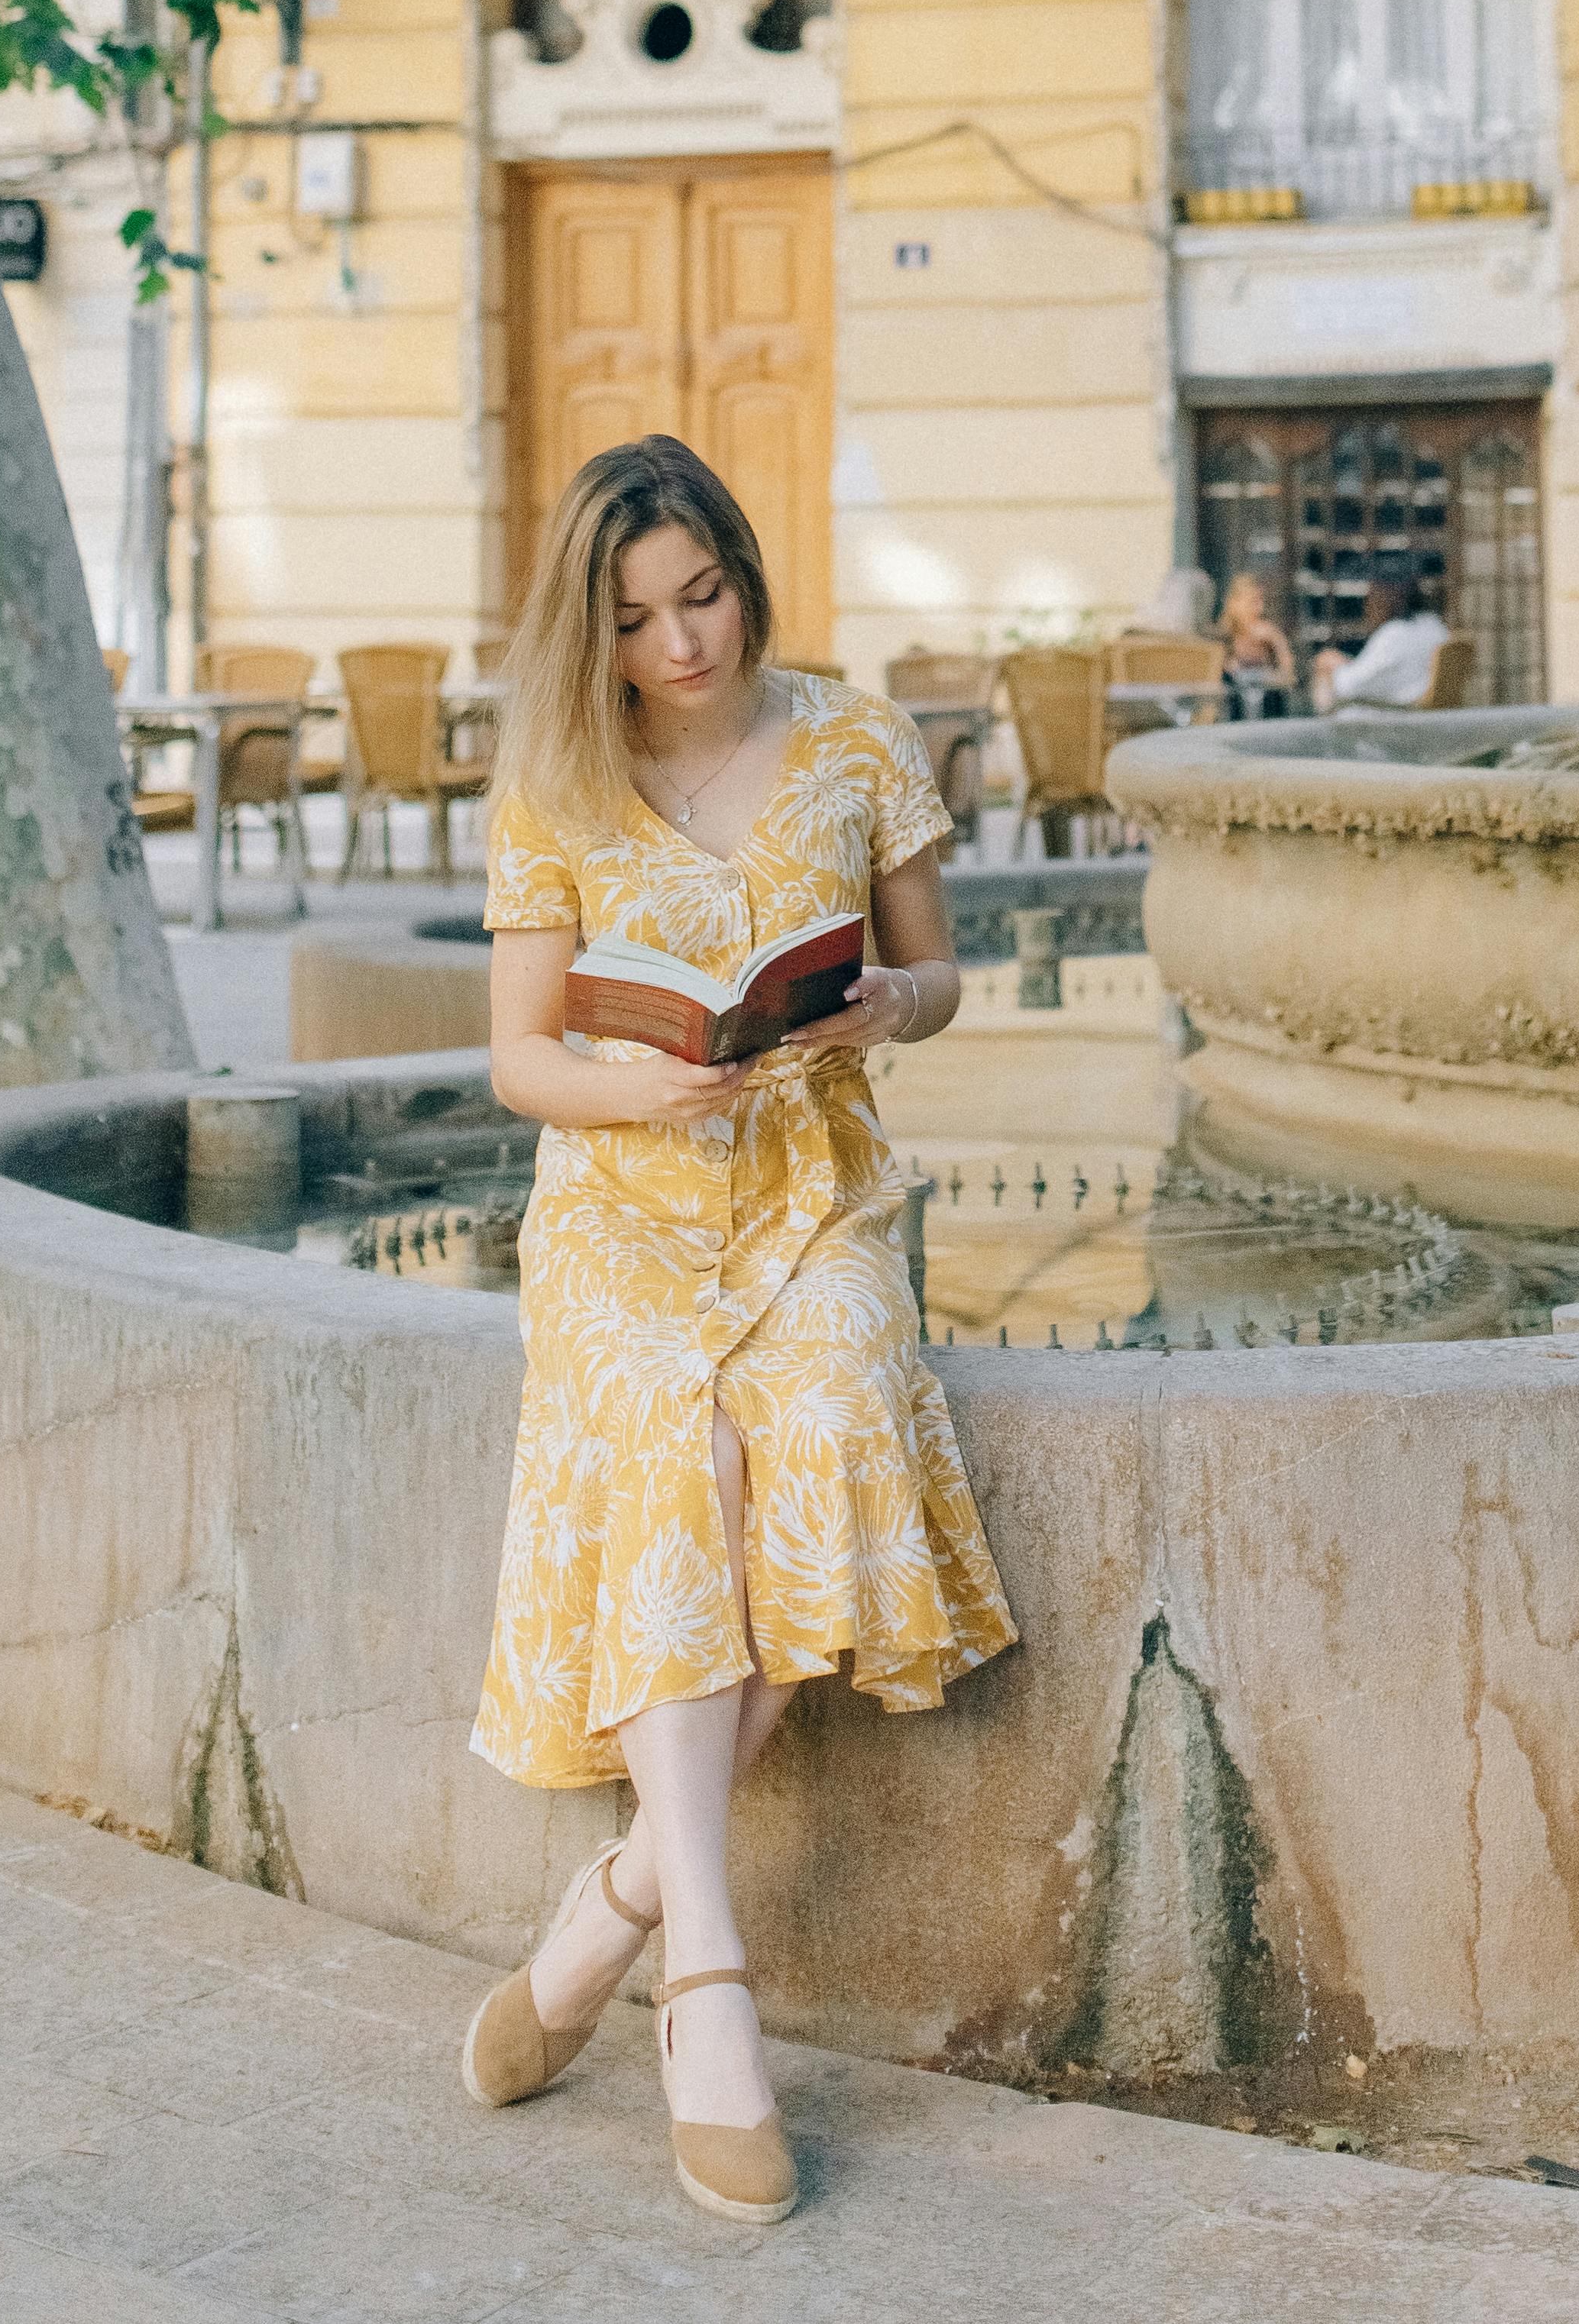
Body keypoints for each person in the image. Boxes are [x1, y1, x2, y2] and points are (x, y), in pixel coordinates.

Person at [461, 434, 1014, 2229]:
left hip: (809, 1191)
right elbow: (517, 1054)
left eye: (700, 593)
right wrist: (631, 1088)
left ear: (743, 571)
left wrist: (875, 1002)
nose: (679, 640)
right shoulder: (553, 772)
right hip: (622, 1213)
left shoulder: (854, 734)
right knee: (677, 1446)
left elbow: (939, 975)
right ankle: (708, 1973)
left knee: (837, 1410)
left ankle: (617, 1900)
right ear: (591, 626)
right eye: (634, 615)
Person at [1309, 570, 1451, 712]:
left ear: (1386, 598)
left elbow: (1350, 687)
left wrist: (1329, 666)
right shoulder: (1434, 625)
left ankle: (1322, 727)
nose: (1367, 606)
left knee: (1326, 662)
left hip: (1393, 717)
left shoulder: (1395, 633)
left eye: (1372, 597)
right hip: (1423, 712)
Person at [1216, 567, 1296, 716]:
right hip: (1234, 712)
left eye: (1261, 601)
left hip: (1267, 709)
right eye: (1252, 602)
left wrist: (1277, 642)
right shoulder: (1224, 637)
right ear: (1235, 604)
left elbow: (1288, 673)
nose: (1260, 609)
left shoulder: (1269, 635)